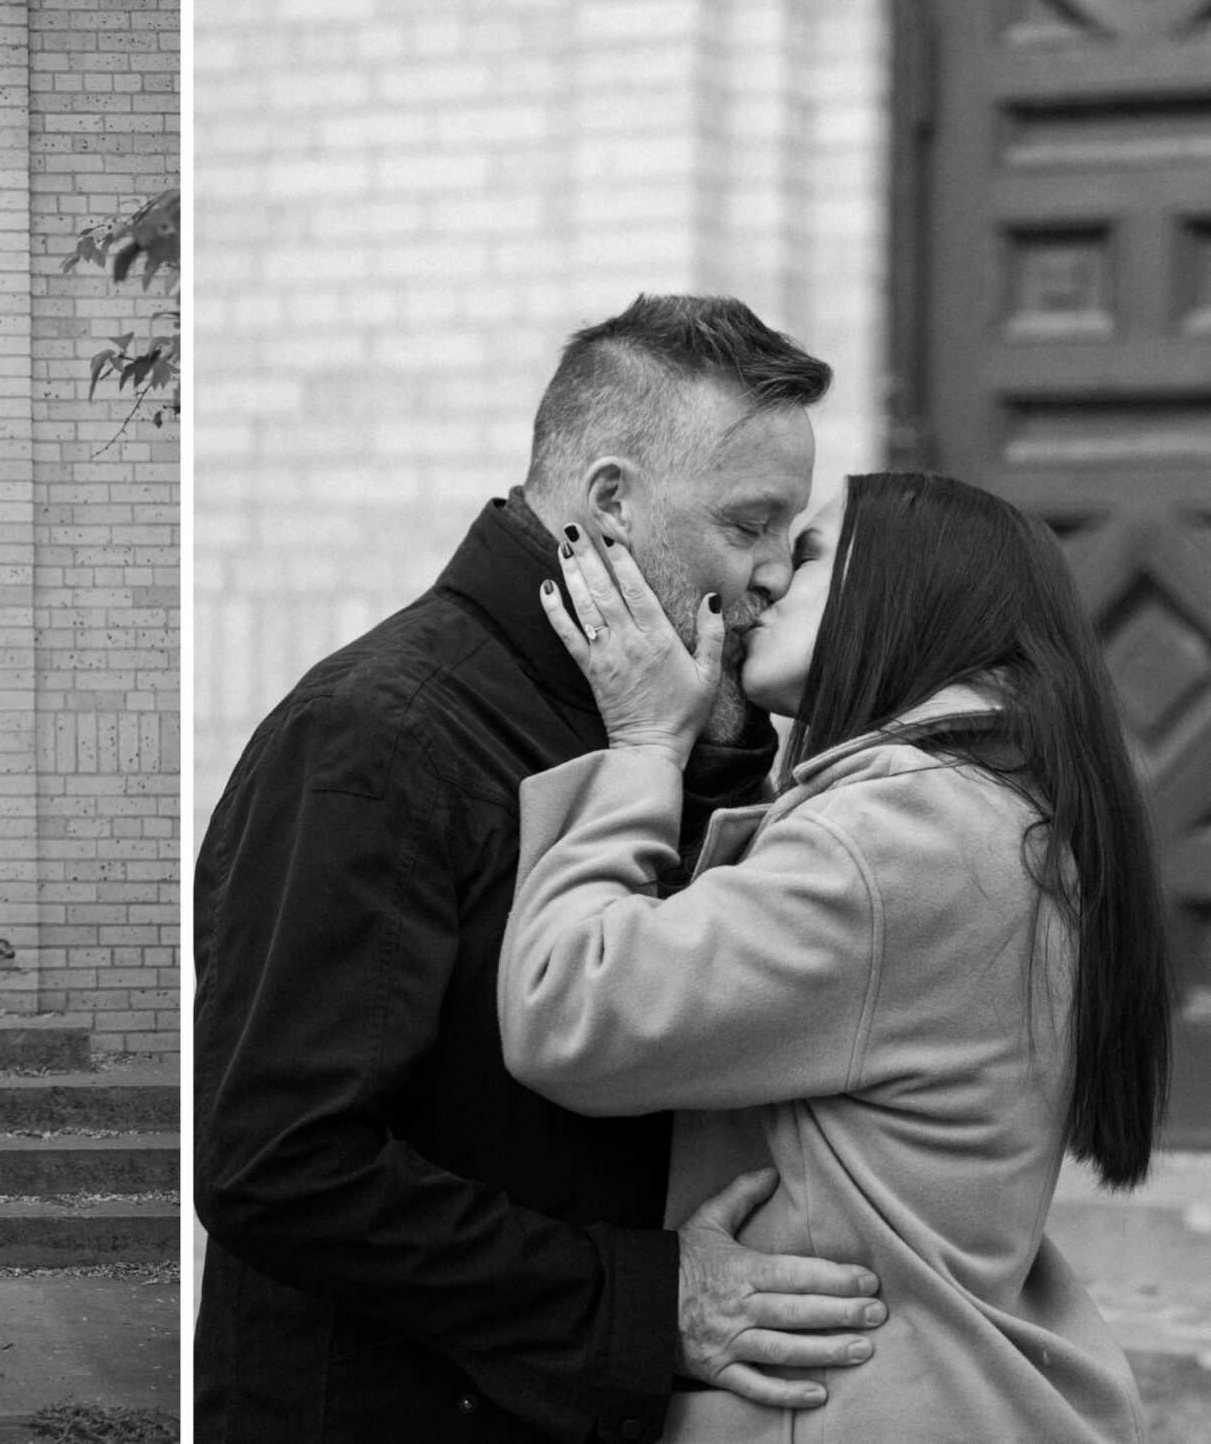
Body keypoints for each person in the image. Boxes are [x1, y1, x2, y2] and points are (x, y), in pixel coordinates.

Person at [195, 295, 889, 1443]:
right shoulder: (378, 735)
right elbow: (276, 1162)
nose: (772, 575)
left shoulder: (647, 729)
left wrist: (705, 760)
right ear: (609, 501)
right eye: (748, 524)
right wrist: (642, 1296)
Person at [500, 471, 1169, 1441]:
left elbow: (564, 1005)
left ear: (903, 589)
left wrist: (645, 749)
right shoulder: (996, 816)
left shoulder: (891, 836)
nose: (764, 581)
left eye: (806, 550)